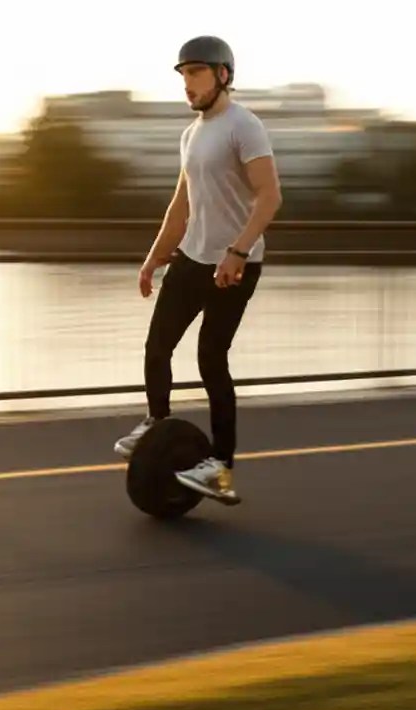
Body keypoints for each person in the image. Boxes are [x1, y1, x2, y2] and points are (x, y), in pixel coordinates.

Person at [113, 35, 283, 501]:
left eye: (196, 73)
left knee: (211, 359)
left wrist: (238, 251)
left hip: (236, 263)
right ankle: (157, 423)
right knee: (157, 346)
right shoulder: (190, 134)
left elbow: (270, 196)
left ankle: (221, 468)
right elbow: (180, 206)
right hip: (192, 257)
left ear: (223, 75)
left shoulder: (243, 126)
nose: (187, 84)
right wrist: (153, 258)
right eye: (183, 74)